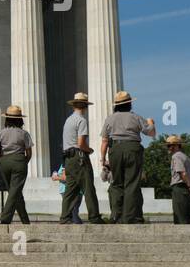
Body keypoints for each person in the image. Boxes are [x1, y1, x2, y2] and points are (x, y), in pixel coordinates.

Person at [99, 90, 156, 224]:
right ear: (129, 103)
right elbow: (151, 133)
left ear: (116, 105)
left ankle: (115, 215)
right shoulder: (136, 117)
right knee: (132, 184)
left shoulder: (110, 119)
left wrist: (103, 158)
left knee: (116, 183)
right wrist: (151, 122)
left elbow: (104, 141)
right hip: (133, 148)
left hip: (115, 149)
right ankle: (129, 217)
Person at [59, 92, 103, 225]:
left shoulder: (68, 120)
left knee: (70, 189)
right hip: (79, 157)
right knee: (88, 187)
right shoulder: (81, 120)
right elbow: (81, 144)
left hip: (68, 158)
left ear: (74, 106)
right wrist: (90, 150)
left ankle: (65, 217)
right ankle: (94, 217)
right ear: (85, 106)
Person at [0, 105, 33, 225]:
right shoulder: (24, 133)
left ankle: (25, 220)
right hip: (19, 160)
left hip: (4, 161)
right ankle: (5, 218)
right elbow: (29, 152)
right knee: (14, 191)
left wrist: (0, 160)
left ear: (7, 119)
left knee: (15, 191)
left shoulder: (1, 132)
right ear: (20, 119)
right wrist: (24, 161)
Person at [166, 135, 190, 224]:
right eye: (168, 145)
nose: (169, 148)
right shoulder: (186, 157)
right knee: (187, 216)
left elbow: (182, 172)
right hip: (186, 188)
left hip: (179, 188)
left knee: (180, 217)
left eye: (170, 145)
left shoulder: (176, 156)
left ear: (177, 145)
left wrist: (188, 185)